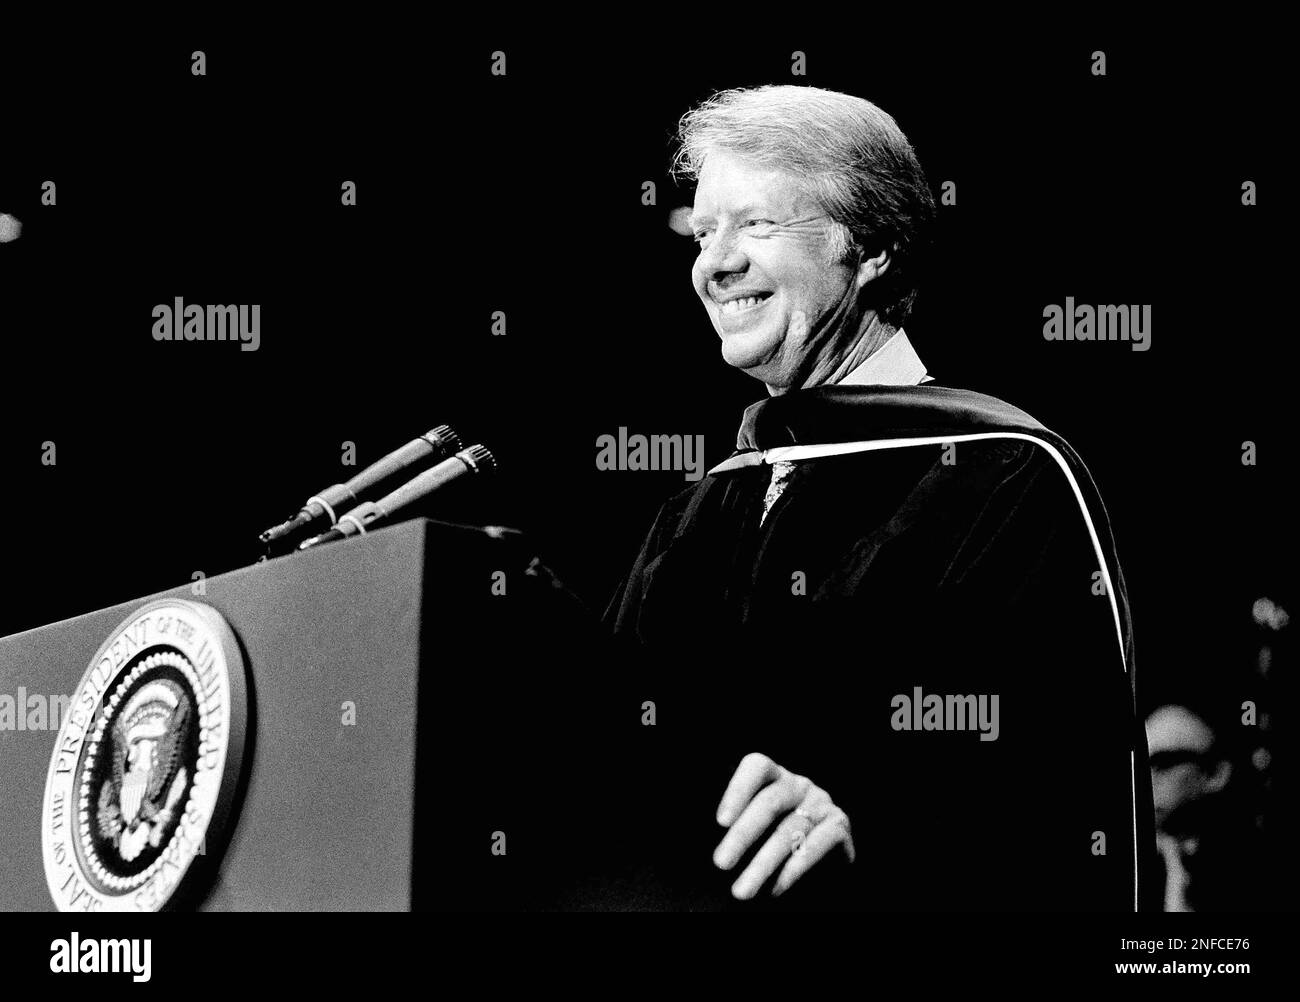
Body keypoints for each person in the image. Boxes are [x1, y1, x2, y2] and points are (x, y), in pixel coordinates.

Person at [602, 85, 1156, 910]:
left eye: (756, 225)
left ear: (873, 249)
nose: (715, 263)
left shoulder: (1001, 473)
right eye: (704, 229)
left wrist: (868, 836)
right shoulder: (697, 511)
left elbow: (1056, 791)